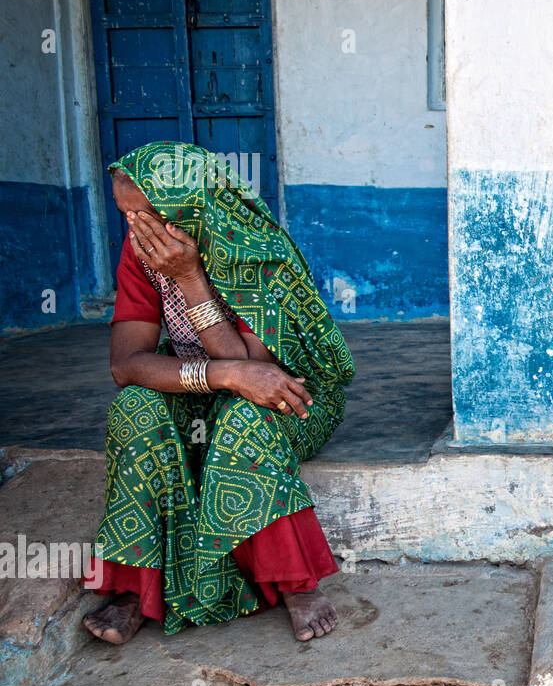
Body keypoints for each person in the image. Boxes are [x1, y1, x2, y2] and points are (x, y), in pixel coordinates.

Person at [82, 142, 354, 644]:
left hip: (291, 397)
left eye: (144, 214)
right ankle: (133, 590)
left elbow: (260, 376)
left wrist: (189, 278)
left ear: (188, 205)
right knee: (134, 408)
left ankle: (295, 583)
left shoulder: (257, 251)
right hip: (211, 383)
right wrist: (221, 376)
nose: (133, 229)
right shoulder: (141, 253)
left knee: (244, 418)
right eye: (124, 216)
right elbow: (126, 365)